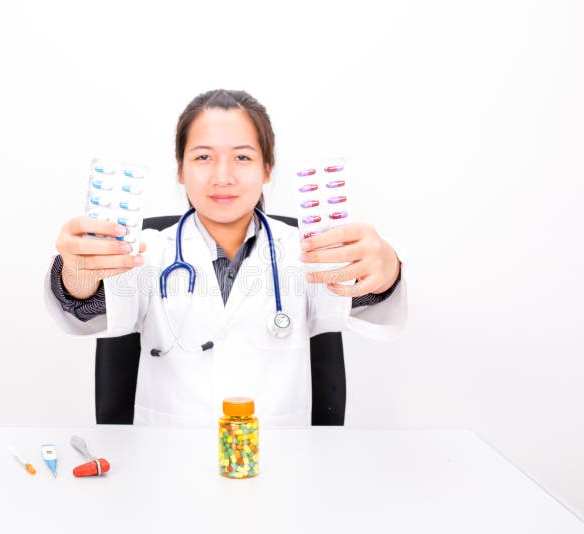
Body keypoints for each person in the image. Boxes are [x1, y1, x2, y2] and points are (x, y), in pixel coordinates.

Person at [45, 89, 406, 426]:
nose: (222, 176)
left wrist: (386, 271)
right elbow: (87, 304)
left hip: (281, 467)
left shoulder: (307, 252)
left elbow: (362, 297)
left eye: (242, 157)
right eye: (203, 157)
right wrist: (75, 278)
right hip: (166, 467)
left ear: (267, 169)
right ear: (180, 170)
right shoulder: (147, 252)